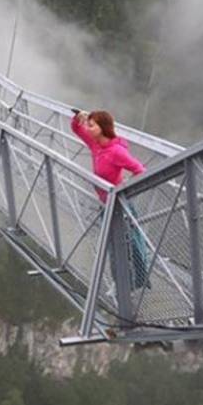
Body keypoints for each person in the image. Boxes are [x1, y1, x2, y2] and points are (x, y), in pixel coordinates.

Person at [70, 109, 151, 288]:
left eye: (91, 125)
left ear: (103, 128)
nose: (88, 128)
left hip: (120, 206)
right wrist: (79, 119)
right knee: (115, 248)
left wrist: (124, 189)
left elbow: (140, 171)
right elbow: (76, 129)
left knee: (130, 246)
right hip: (105, 205)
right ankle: (123, 286)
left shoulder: (116, 151)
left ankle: (137, 283)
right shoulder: (95, 145)